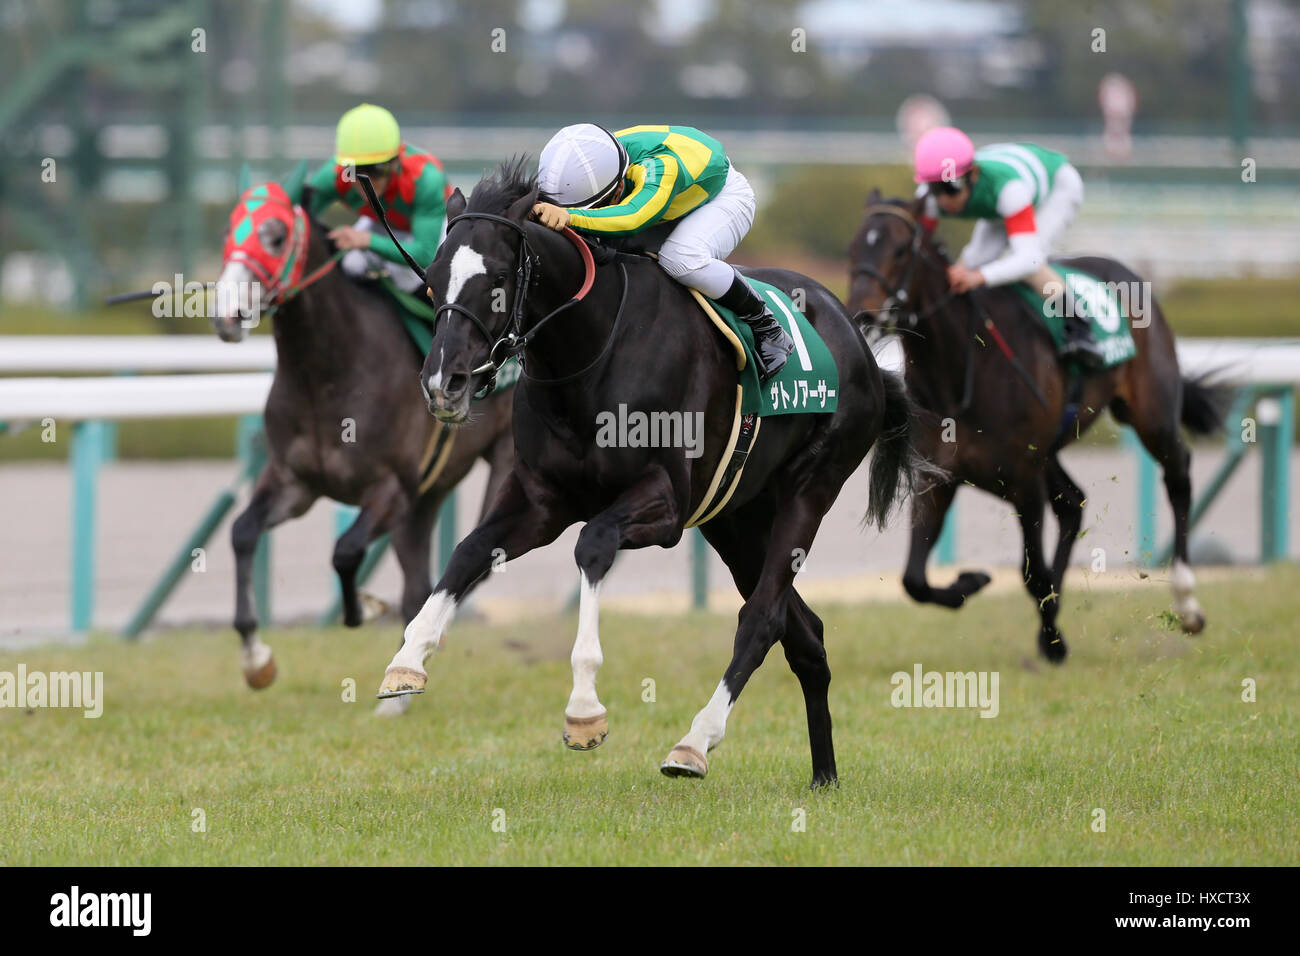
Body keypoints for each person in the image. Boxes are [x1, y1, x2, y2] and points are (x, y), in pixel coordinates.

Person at [531, 123, 794, 383]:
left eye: (596, 205)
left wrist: (571, 216)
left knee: (680, 259)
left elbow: (633, 217)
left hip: (721, 196)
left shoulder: (661, 168)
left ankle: (767, 327)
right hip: (662, 197)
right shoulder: (593, 159)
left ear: (618, 189)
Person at [912, 126, 1104, 367]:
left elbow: (1028, 259)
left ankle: (1080, 329)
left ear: (972, 175)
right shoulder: (929, 195)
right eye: (935, 189)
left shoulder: (1008, 190)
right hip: (1001, 200)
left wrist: (979, 277)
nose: (943, 200)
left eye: (950, 188)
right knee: (968, 263)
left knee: (1029, 264)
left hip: (1057, 187)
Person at [297, 103, 450, 293]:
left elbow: (424, 254)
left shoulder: (425, 178)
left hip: (430, 233)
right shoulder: (334, 176)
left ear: (395, 162)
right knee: (352, 265)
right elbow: (297, 215)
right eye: (355, 170)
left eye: (376, 169)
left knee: (407, 277)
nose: (365, 181)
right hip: (381, 223)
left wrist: (366, 240)